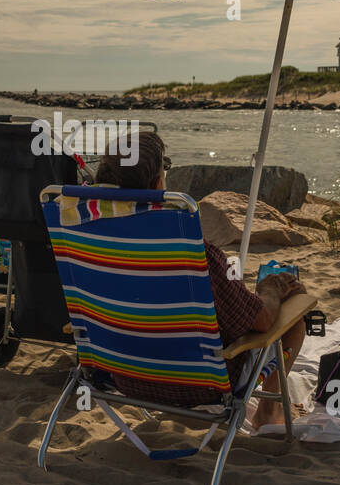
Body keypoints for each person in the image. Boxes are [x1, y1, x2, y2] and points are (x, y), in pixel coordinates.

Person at [92, 131, 308, 430]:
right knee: (295, 314)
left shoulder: (91, 246)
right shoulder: (192, 254)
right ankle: (269, 413)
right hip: (202, 387)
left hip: (122, 376)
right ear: (157, 184)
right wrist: (270, 288)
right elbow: (261, 321)